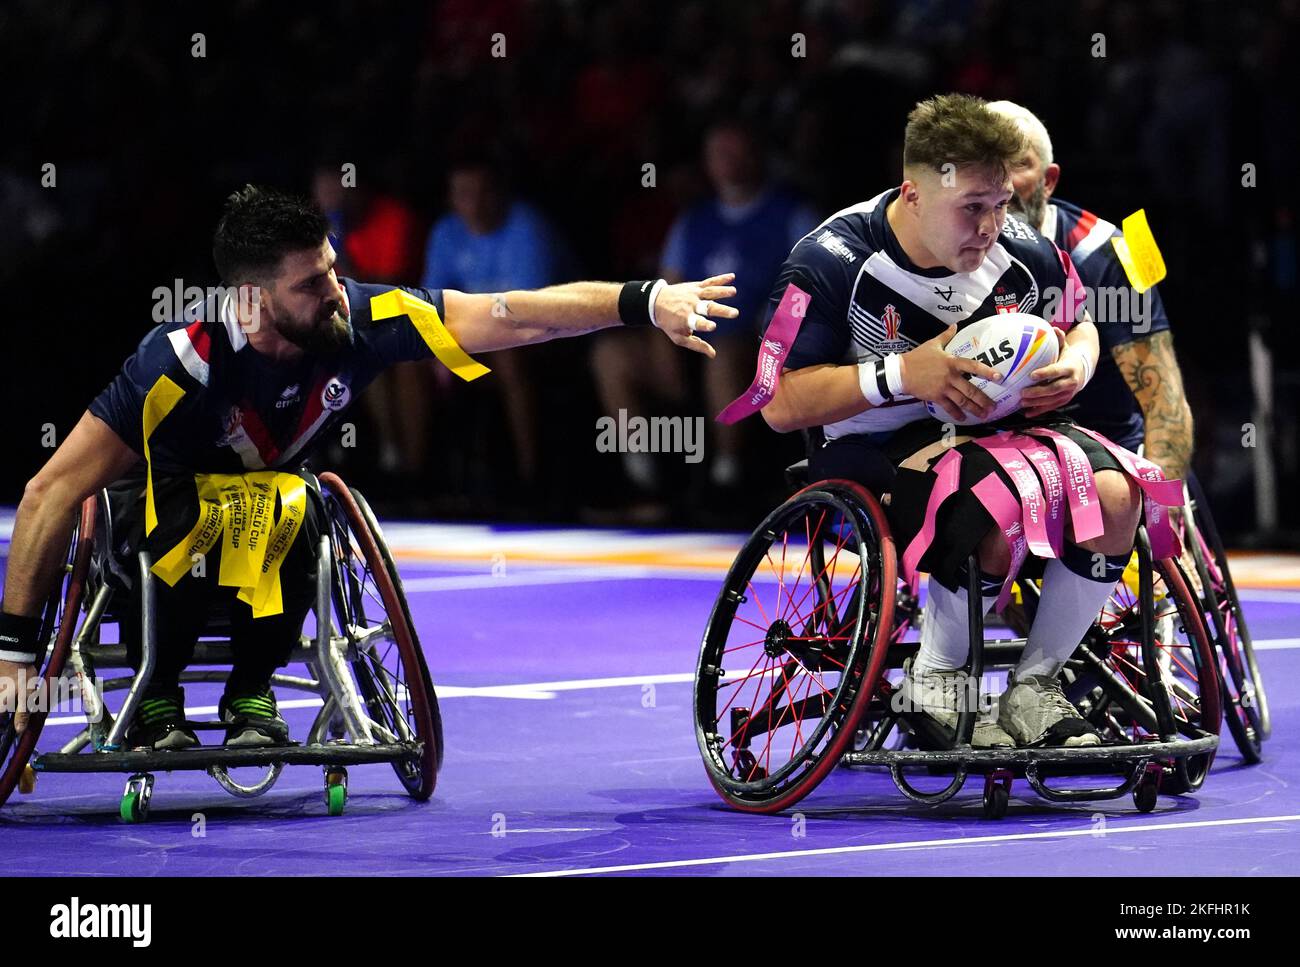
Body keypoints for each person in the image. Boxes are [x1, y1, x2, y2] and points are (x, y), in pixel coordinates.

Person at [0, 185, 735, 749]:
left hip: (275, 525)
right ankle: (157, 691)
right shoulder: (181, 361)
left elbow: (516, 314)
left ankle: (252, 691)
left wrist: (647, 301)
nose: (334, 291)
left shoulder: (361, 318)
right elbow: (50, 489)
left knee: (296, 500)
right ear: (253, 298)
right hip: (159, 538)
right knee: (170, 506)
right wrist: (12, 653)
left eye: (330, 267)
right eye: (311, 284)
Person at [758, 94, 1177, 750]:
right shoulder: (829, 258)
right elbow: (776, 402)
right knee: (995, 499)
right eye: (972, 208)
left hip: (998, 435)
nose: (991, 227)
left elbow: (1080, 322)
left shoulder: (1025, 248)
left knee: (1121, 493)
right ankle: (933, 678)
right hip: (873, 443)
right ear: (915, 194)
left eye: (1002, 202)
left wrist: (1075, 360)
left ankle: (1036, 686)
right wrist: (902, 375)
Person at [593, 121, 816, 502]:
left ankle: (725, 480)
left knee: (724, 355)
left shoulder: (793, 214)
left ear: (756, 154)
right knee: (611, 355)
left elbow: (810, 289)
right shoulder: (692, 220)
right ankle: (641, 475)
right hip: (687, 342)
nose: (726, 161)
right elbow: (665, 287)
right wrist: (663, 339)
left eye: (735, 150)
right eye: (717, 153)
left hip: (756, 348)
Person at [985, 100, 1193, 482]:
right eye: (988, 163)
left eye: (1018, 163)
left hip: (1108, 453)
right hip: (994, 458)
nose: (1004, 182)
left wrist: (1165, 505)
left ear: (1049, 180)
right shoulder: (947, 247)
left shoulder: (1114, 251)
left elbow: (1164, 401)